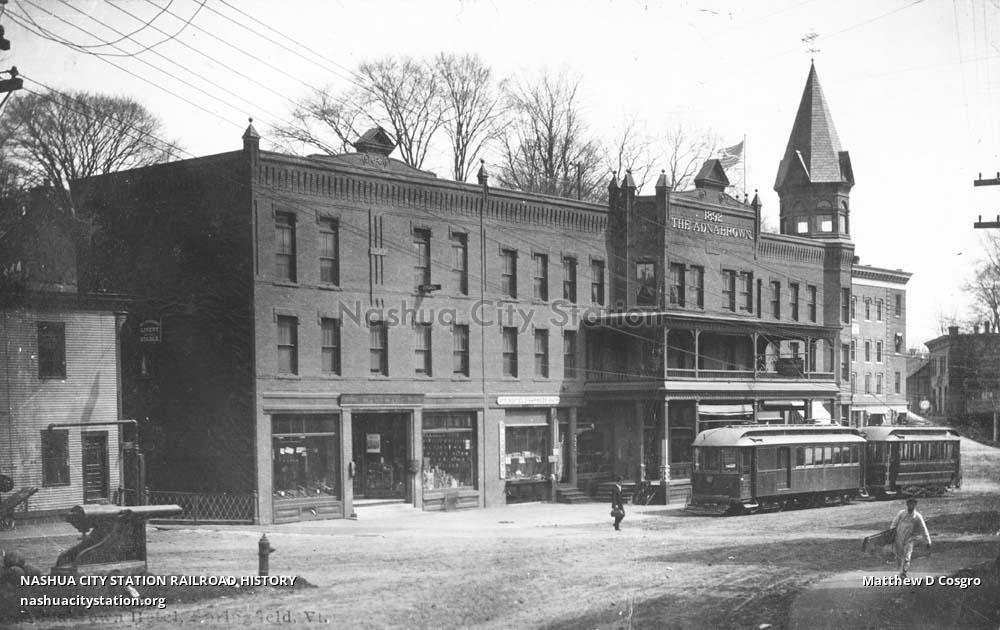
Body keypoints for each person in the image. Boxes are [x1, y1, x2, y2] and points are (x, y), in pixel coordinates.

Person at [890, 497, 931, 578]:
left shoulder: (917, 516)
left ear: (915, 505)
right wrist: (891, 533)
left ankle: (904, 572)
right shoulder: (901, 513)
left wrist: (928, 541)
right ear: (907, 504)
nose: (911, 506)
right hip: (898, 537)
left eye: (913, 504)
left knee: (907, 556)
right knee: (898, 556)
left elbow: (923, 528)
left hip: (909, 539)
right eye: (910, 504)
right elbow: (894, 523)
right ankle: (900, 571)